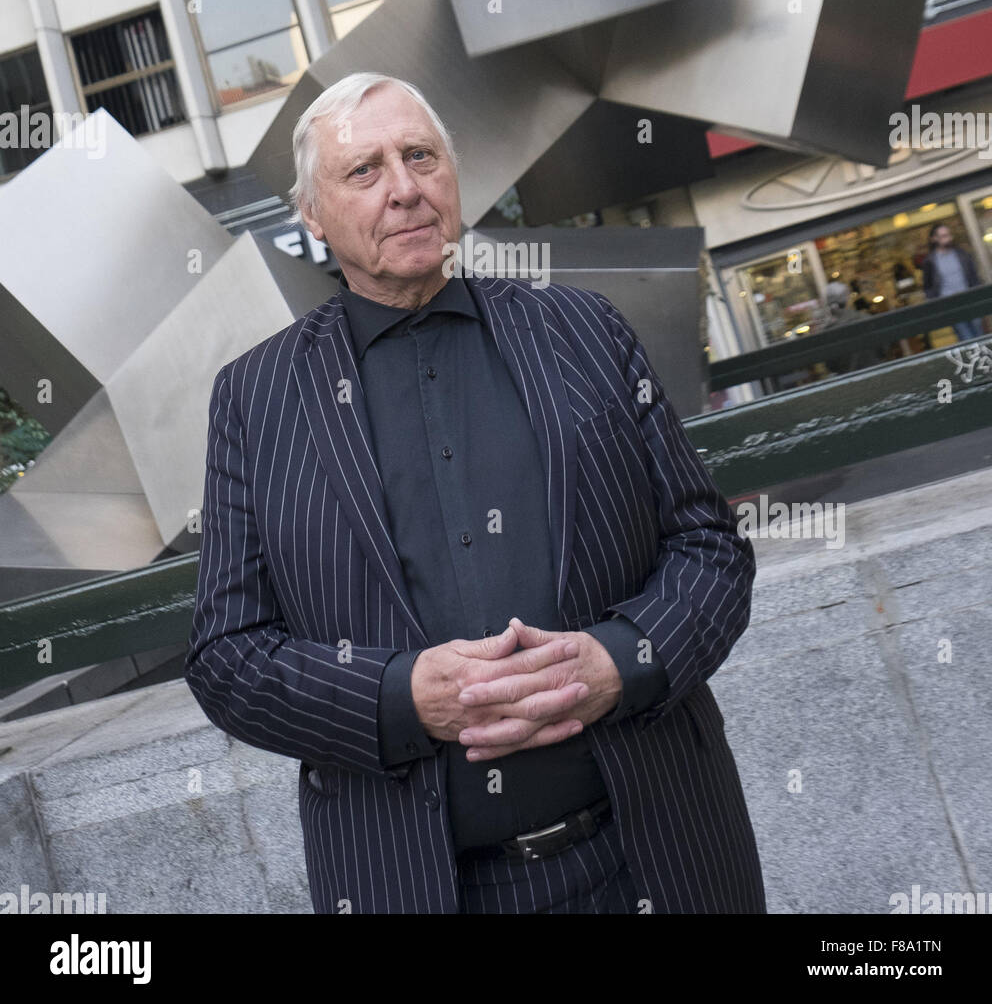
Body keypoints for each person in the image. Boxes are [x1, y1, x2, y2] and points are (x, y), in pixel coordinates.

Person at [185, 72, 765, 915]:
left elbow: (710, 548)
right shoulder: (255, 401)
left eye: (420, 156)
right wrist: (400, 698)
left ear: (453, 179)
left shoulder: (584, 329)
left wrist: (620, 663)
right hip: (416, 885)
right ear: (312, 215)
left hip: (660, 855)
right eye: (365, 171)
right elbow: (225, 655)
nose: (405, 188)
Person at [921, 223, 983, 341]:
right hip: (951, 306)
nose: (948, 238)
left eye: (949, 235)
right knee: (966, 337)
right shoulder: (930, 261)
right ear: (934, 239)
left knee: (979, 334)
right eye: (944, 236)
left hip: (970, 300)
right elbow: (928, 287)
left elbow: (973, 276)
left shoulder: (961, 254)